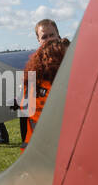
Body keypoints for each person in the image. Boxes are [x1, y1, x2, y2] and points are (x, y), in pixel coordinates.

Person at [21, 19, 71, 147]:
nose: (49, 39)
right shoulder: (32, 71)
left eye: (52, 35)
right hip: (40, 146)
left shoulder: (72, 59)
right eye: (44, 37)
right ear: (38, 40)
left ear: (58, 35)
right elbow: (26, 111)